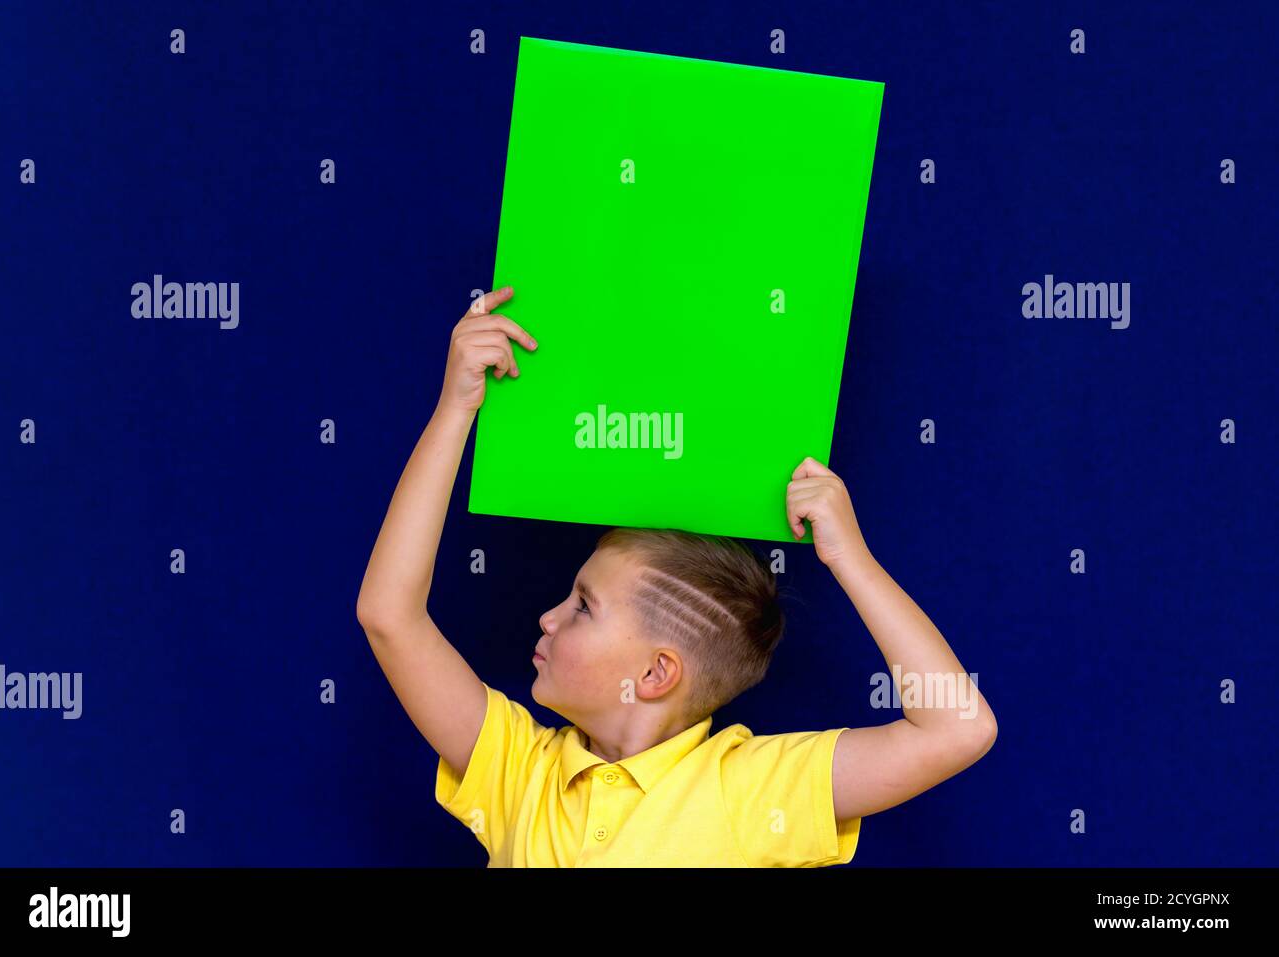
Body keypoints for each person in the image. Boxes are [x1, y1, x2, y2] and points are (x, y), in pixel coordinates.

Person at [357, 286, 997, 866]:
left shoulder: (751, 790)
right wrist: (456, 408)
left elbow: (958, 728)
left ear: (656, 674)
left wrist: (850, 558)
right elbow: (389, 617)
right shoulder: (518, 773)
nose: (548, 616)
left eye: (583, 605)